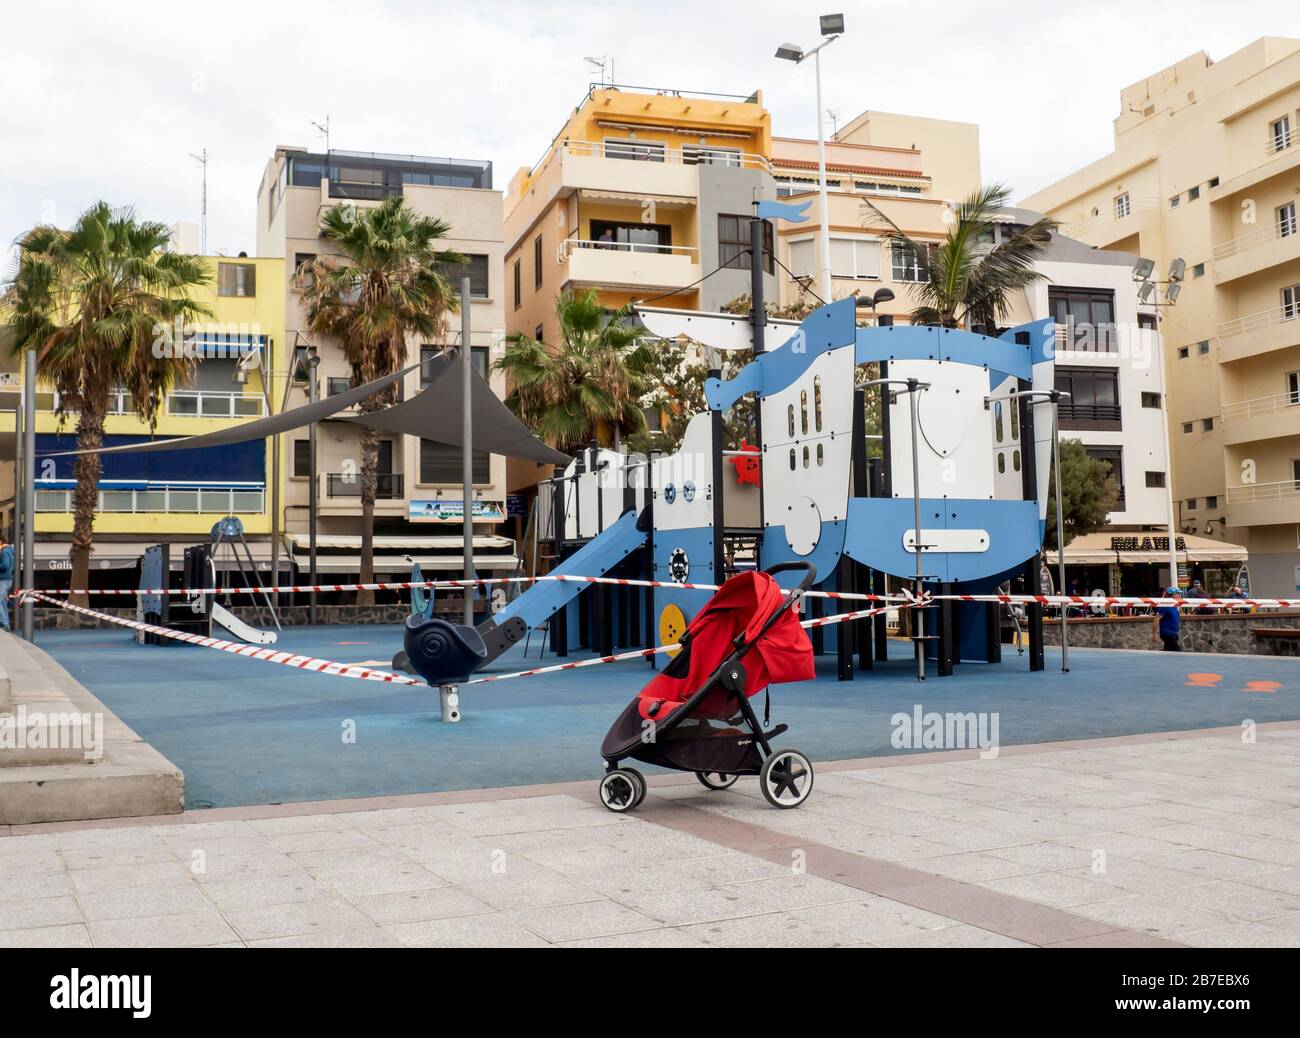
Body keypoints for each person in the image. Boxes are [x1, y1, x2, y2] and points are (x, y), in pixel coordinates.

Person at [1154, 586, 1182, 651]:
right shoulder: (1165, 606)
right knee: (1178, 653)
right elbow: (1156, 619)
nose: (1179, 596)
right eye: (1177, 594)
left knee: (1168, 653)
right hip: (1168, 635)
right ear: (1173, 595)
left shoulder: (1174, 606)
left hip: (1174, 634)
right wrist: (1154, 634)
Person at [0, 536, 13, 632]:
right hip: (6, 579)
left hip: (4, 579)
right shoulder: (9, 550)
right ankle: (6, 623)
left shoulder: (4, 551)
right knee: (3, 602)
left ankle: (5, 624)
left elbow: (5, 565)